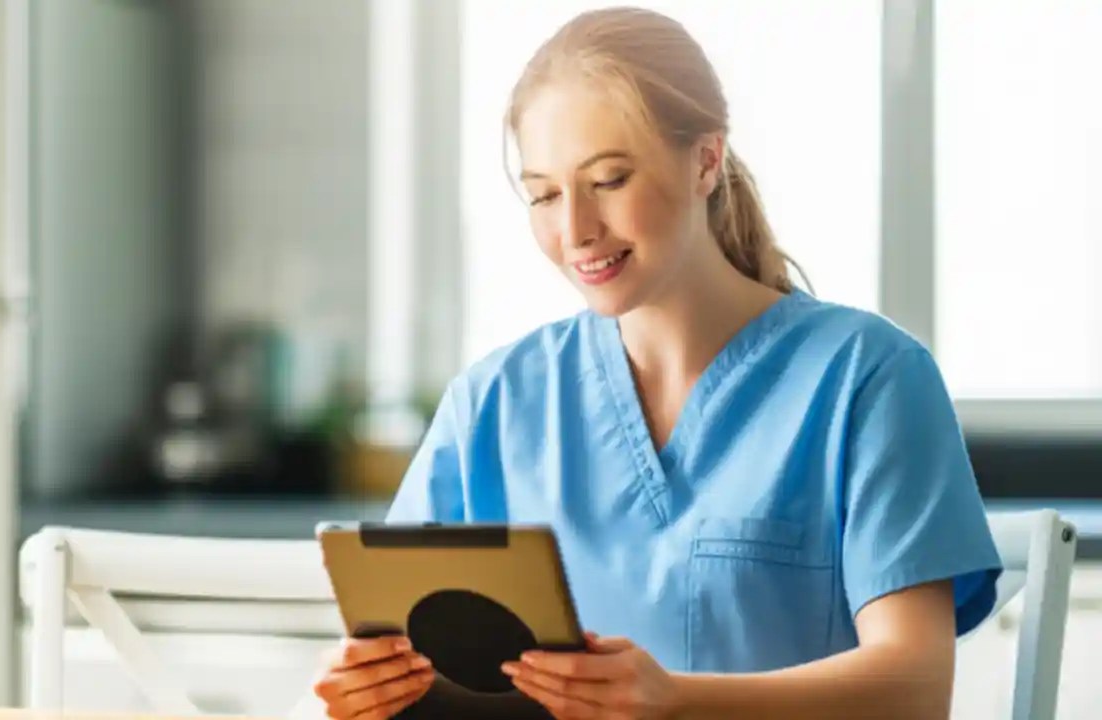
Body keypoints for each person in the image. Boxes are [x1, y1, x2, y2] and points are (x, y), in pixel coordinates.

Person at [312, 6, 1000, 719]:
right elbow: (419, 666)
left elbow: (916, 690)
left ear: (706, 160)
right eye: (544, 194)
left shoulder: (868, 378)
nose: (575, 230)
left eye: (609, 180)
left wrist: (677, 702)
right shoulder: (494, 403)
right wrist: (368, 689)